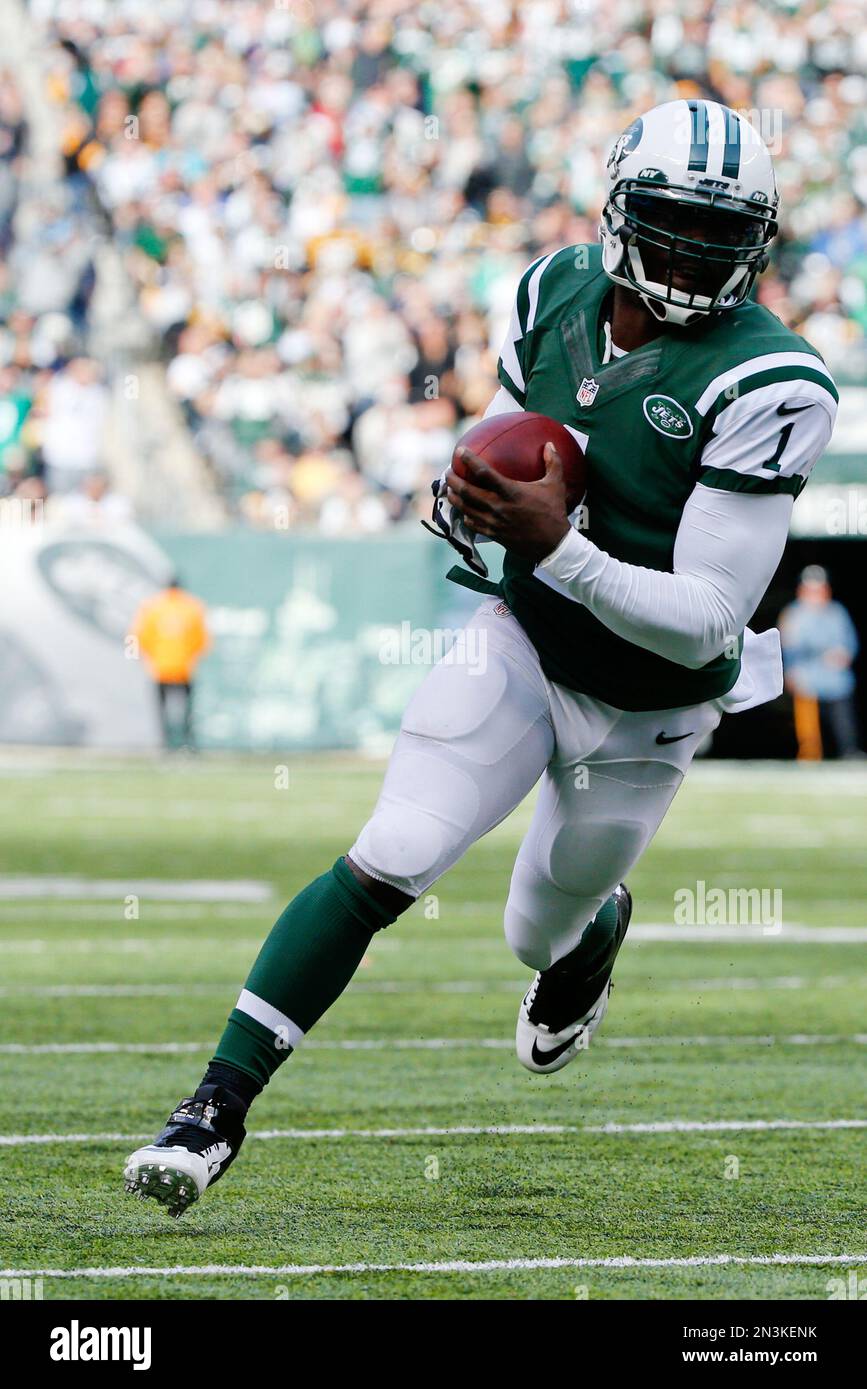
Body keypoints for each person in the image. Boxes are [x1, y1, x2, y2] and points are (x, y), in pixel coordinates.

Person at [123, 101, 837, 1217]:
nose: (695, 250)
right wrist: (475, 497)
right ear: (616, 209)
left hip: (650, 707)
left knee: (533, 929)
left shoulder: (772, 380)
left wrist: (555, 543)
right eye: (671, 222)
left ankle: (593, 930)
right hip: (524, 641)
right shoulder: (547, 293)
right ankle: (212, 1109)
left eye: (718, 230)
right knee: (392, 851)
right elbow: (501, 438)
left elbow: (705, 619)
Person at [780, 566, 860, 759]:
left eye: (819, 589)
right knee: (805, 705)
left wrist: (843, 654)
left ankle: (849, 751)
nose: (815, 594)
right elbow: (788, 647)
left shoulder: (837, 612)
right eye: (810, 589)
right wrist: (790, 671)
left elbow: (850, 642)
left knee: (843, 712)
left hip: (835, 677)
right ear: (802, 591)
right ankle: (809, 754)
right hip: (807, 674)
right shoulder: (793, 614)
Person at [131, 577, 210, 750]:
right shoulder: (192, 607)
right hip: (185, 669)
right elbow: (202, 640)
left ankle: (166, 744)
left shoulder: (152, 608)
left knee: (162, 710)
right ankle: (188, 744)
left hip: (160, 669)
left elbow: (139, 637)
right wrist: (191, 658)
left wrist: (146, 659)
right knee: (187, 712)